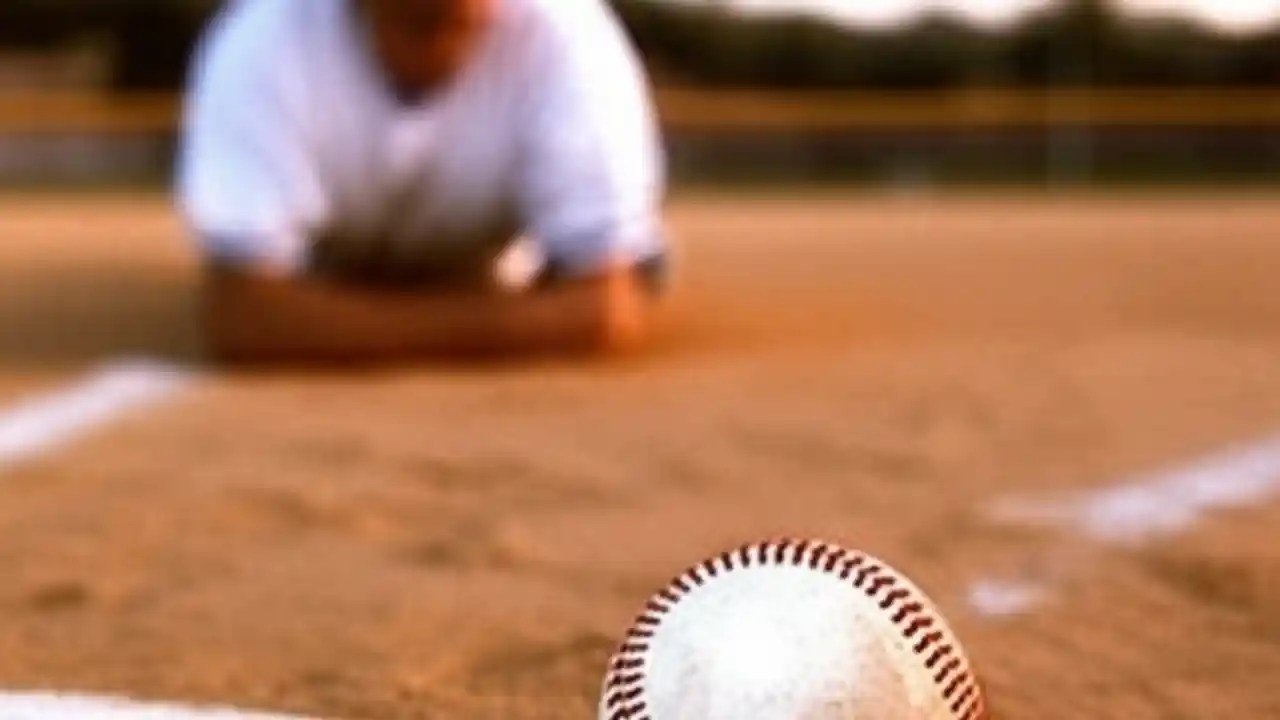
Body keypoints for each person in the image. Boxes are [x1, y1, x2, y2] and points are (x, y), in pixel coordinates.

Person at [179, 0, 668, 363]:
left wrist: (319, 323)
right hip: (340, 260)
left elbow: (605, 311)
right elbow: (240, 317)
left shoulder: (571, 38)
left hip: (467, 263)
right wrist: (525, 322)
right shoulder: (263, 39)